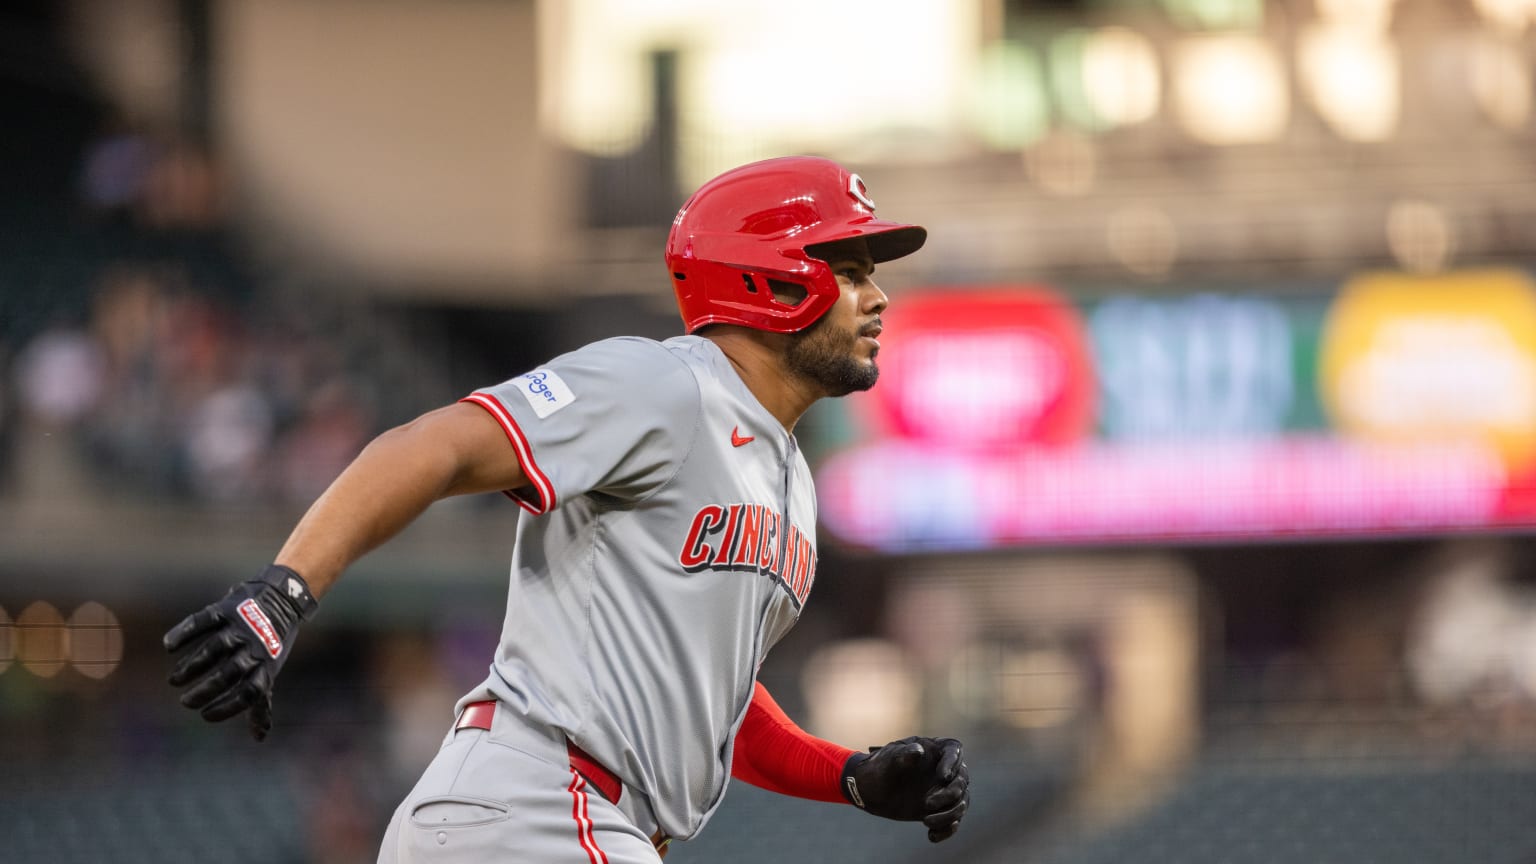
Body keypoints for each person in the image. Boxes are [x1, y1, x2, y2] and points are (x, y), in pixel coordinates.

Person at [164, 156, 971, 862]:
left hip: (553, 821)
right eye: (851, 269)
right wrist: (284, 594)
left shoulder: (788, 479)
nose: (877, 297)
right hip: (539, 808)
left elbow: (713, 694)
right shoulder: (663, 384)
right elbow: (433, 445)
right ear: (772, 277)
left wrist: (849, 777)